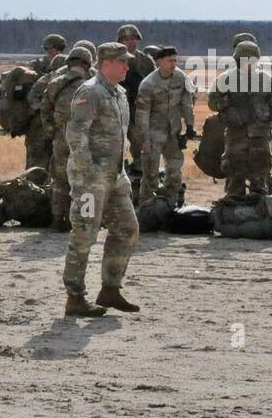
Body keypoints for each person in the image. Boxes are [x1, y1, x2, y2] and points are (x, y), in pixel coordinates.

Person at [62, 43, 141, 317]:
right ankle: (75, 297)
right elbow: (76, 135)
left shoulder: (119, 93)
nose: (126, 67)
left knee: (128, 228)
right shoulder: (90, 91)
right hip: (90, 180)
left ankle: (110, 289)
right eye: (122, 62)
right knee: (84, 234)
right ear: (106, 63)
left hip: (116, 177)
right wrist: (88, 172)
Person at [208, 40, 272, 196]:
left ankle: (258, 212)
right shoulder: (225, 79)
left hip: (258, 137)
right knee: (235, 178)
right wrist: (226, 103)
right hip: (237, 135)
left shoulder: (266, 79)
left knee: (259, 180)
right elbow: (213, 103)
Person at [133, 45, 197, 202]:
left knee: (174, 171)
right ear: (159, 62)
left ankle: (172, 203)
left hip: (173, 131)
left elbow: (186, 103)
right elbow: (142, 114)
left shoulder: (181, 78)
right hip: (154, 132)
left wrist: (189, 126)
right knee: (150, 173)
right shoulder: (148, 84)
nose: (173, 64)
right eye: (170, 61)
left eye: (175, 60)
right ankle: (147, 206)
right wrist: (145, 140)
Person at [44, 45, 95, 231]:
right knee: (85, 180)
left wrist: (52, 132)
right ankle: (84, 220)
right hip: (84, 139)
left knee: (60, 179)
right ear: (87, 64)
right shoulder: (92, 85)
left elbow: (45, 110)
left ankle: (58, 219)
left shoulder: (54, 83)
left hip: (60, 137)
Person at [116, 24, 156, 191]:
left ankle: (140, 170)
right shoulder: (112, 59)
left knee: (140, 140)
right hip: (117, 107)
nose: (130, 42)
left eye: (133, 39)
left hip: (138, 108)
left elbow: (155, 82)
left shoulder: (145, 61)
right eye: (126, 39)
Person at [26, 52, 68, 171]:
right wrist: (48, 109)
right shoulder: (57, 80)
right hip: (47, 126)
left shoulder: (44, 79)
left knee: (37, 162)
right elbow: (32, 98)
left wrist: (43, 109)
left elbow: (31, 98)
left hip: (40, 125)